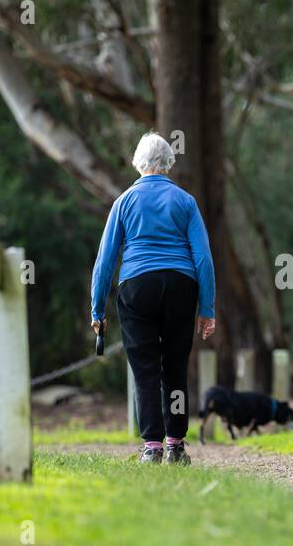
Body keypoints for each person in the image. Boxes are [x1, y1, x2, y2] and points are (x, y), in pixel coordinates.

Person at [90, 132, 216, 465]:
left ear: (137, 162)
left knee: (145, 368)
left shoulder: (124, 202)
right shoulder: (186, 202)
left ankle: (152, 447)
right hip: (180, 286)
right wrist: (207, 308)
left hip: (137, 287)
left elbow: (105, 261)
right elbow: (203, 258)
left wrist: (97, 308)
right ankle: (175, 444)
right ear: (169, 164)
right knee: (175, 365)